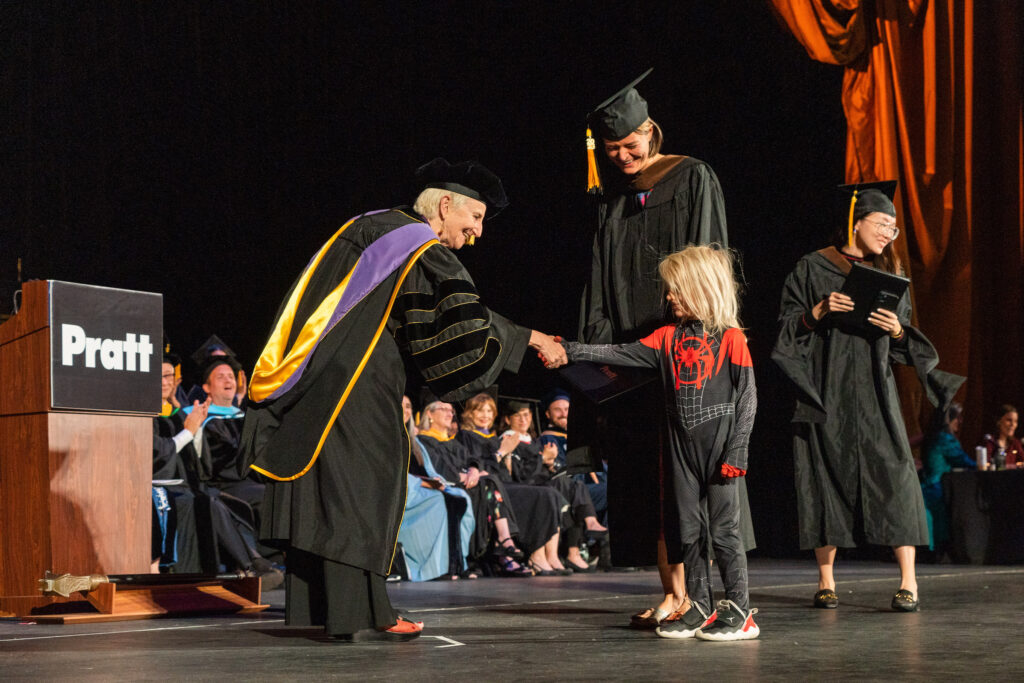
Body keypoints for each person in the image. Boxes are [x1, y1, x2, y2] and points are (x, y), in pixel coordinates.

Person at [240, 158, 566, 641]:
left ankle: (331, 609)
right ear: (446, 203)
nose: (478, 231)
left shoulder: (369, 227)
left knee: (337, 490)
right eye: (474, 217)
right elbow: (461, 324)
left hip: (331, 383)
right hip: (358, 388)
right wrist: (529, 337)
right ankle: (360, 613)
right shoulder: (413, 243)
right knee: (362, 489)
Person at [575, 69, 753, 628]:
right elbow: (600, 281)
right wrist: (600, 347)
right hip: (637, 358)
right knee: (655, 481)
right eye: (612, 150)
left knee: (696, 488)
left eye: (630, 145)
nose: (623, 157)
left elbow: (707, 264)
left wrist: (696, 333)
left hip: (685, 356)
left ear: (651, 132)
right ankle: (675, 594)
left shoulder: (693, 178)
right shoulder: (614, 203)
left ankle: (710, 598)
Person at [772, 180, 964, 613]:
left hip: (877, 395)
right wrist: (817, 313)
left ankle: (909, 583)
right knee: (824, 479)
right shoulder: (811, 268)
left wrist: (896, 329)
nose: (889, 234)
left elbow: (903, 343)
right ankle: (825, 582)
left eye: (894, 229)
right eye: (883, 224)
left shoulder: (891, 276)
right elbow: (785, 333)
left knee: (896, 477)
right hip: (825, 393)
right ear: (855, 223)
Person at [559, 245, 760, 641]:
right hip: (680, 450)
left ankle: (739, 611)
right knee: (687, 531)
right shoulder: (666, 338)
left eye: (676, 290)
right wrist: (568, 349)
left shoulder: (732, 338)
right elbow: (617, 353)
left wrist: (738, 448)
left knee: (724, 531)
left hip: (719, 447)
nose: (668, 297)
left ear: (701, 288)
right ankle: (699, 606)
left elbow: (747, 398)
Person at [456, 393, 569, 575]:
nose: (485, 415)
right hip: (488, 488)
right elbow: (478, 468)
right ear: (469, 413)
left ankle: (544, 556)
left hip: (504, 484)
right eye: (479, 411)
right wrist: (502, 453)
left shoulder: (493, 438)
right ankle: (535, 555)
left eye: (489, 411)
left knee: (549, 491)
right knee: (542, 494)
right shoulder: (466, 436)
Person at [417, 400, 531, 577]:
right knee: (490, 482)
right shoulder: (423, 440)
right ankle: (504, 541)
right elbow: (437, 469)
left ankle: (502, 542)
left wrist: (474, 469)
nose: (449, 413)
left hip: (469, 485)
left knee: (489, 481)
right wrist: (462, 476)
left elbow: (471, 460)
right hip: (446, 487)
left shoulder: (453, 443)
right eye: (443, 409)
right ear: (429, 414)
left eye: (451, 410)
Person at [500, 400, 607, 572]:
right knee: (562, 488)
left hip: (541, 483)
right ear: (507, 420)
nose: (523, 420)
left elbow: (543, 469)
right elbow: (519, 476)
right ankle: (556, 553)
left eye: (526, 415)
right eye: (517, 415)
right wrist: (542, 460)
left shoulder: (532, 440)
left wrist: (551, 464)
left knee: (576, 486)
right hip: (526, 490)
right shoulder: (508, 440)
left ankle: (576, 545)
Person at [397, 396, 474, 581]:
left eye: (409, 406)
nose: (406, 410)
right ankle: (433, 567)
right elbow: (390, 473)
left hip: (416, 487)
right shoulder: (385, 437)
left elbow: (429, 470)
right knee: (438, 500)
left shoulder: (414, 442)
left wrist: (436, 482)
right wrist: (425, 484)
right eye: (401, 406)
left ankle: (456, 563)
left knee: (459, 496)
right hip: (401, 492)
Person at [920, 402, 974, 557]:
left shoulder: (933, 435)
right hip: (935, 488)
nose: (960, 421)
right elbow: (962, 459)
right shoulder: (944, 439)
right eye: (957, 417)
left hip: (929, 486)